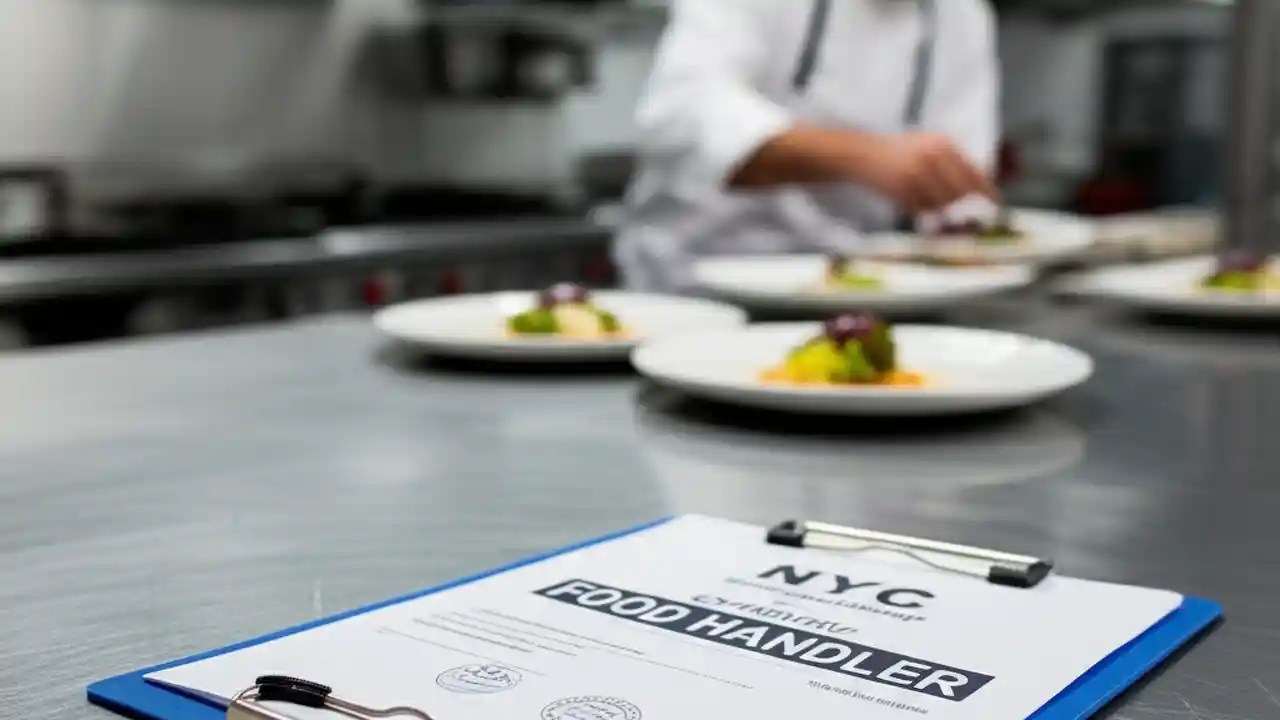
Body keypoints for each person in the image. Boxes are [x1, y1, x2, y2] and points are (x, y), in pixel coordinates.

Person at [616, 0, 1001, 291]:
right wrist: (866, 158)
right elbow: (683, 115)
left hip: (859, 293)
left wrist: (958, 215)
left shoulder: (961, 14)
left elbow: (962, 184)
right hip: (694, 289)